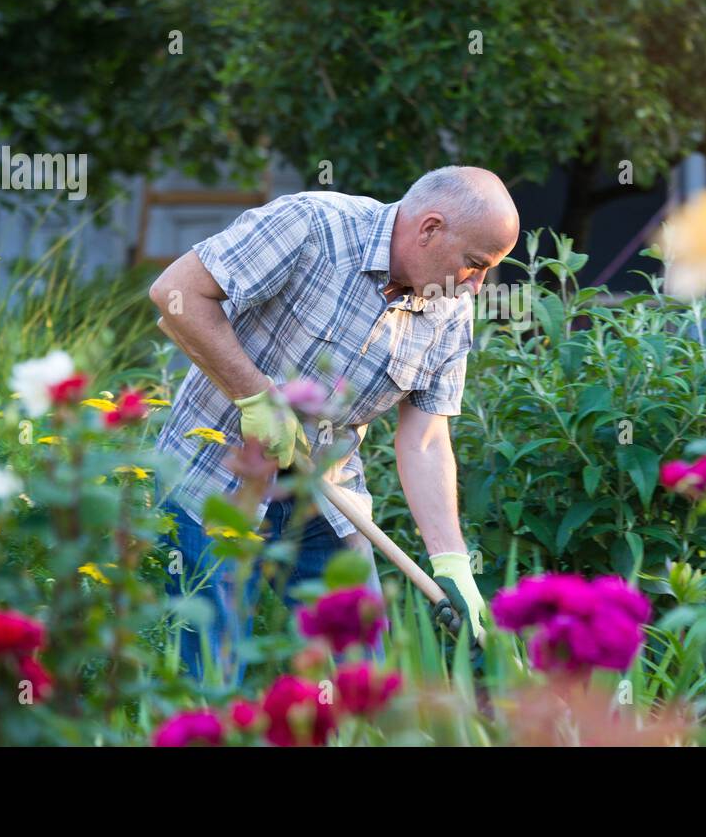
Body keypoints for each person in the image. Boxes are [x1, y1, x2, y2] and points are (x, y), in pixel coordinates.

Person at [149, 165, 519, 683]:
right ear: (430, 229)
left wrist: (452, 559)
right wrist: (255, 395)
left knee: (360, 676)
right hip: (213, 480)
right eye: (475, 265)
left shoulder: (450, 308)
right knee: (208, 675)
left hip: (326, 494)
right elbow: (176, 293)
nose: (478, 287)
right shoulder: (312, 225)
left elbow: (427, 438)